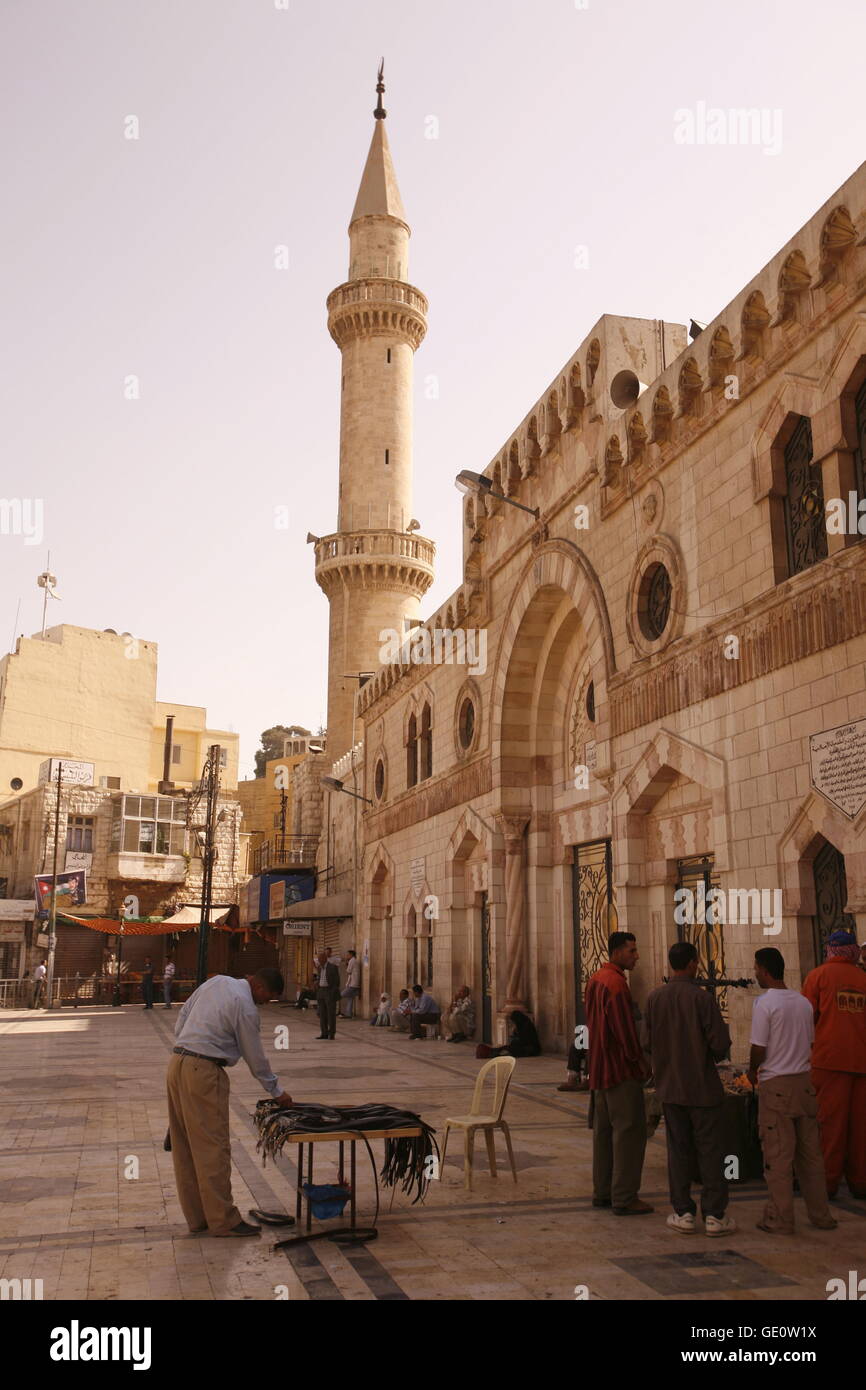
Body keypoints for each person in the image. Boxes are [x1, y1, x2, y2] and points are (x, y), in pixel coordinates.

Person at [167, 968, 292, 1237]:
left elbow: (183, 1016)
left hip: (178, 1063)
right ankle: (223, 1220)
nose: (265, 1003)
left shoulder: (217, 982)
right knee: (213, 1147)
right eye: (266, 997)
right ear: (257, 985)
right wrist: (277, 1091)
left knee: (186, 1146)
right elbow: (254, 1055)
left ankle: (198, 1218)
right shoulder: (245, 1005)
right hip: (204, 1071)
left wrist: (189, 1043)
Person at [644, 940, 735, 1236]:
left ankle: (683, 1211)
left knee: (678, 1150)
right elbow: (720, 1045)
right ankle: (714, 1215)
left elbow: (645, 1043)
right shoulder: (702, 999)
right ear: (693, 963)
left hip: (670, 1088)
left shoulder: (654, 999)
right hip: (703, 1089)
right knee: (710, 1150)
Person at [748, 947, 837, 1235]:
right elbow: (809, 1042)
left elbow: (759, 1047)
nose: (755, 974)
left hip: (777, 1085)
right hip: (804, 1083)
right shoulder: (802, 1003)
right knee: (811, 1155)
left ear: (763, 969)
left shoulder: (765, 1004)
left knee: (778, 1156)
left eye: (756, 969)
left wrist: (752, 1071)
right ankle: (821, 1215)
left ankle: (780, 1218)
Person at [585, 931, 652, 1216]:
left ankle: (602, 1191)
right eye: (632, 951)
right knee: (628, 1132)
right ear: (616, 953)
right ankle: (624, 1196)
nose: (636, 956)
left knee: (603, 1132)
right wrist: (639, 1064)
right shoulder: (616, 985)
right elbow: (624, 1033)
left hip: (599, 1068)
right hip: (618, 1071)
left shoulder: (595, 979)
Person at [802, 928, 866, 1200]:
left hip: (828, 1062)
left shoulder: (818, 976)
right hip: (861, 1062)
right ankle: (860, 1182)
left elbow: (806, 1019)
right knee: (860, 1128)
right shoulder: (862, 978)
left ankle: (827, 1183)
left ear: (830, 949)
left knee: (830, 1126)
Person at [315, 947, 340, 1040]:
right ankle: (324, 1033)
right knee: (322, 1014)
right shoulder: (319, 968)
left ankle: (331, 1033)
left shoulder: (333, 967)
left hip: (329, 991)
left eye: (320, 959)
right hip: (321, 991)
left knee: (330, 1014)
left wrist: (332, 992)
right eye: (318, 959)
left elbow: (337, 982)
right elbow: (319, 978)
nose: (319, 961)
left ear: (325, 959)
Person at [340, 949, 362, 1019]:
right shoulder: (354, 961)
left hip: (353, 984)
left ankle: (347, 1013)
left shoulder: (352, 961)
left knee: (340, 995)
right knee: (350, 998)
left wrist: (346, 963)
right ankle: (348, 1013)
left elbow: (348, 971)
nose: (347, 956)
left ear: (351, 955)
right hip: (353, 983)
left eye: (348, 955)